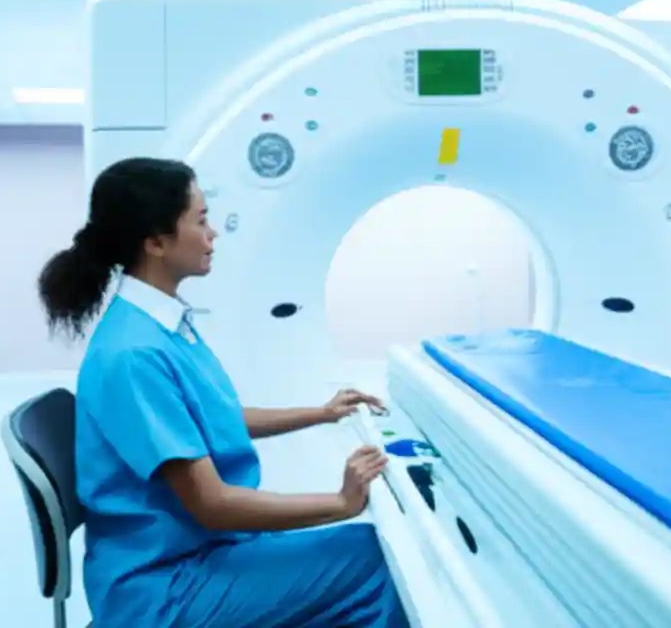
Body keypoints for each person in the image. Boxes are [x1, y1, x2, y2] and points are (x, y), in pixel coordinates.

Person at [37, 157, 411, 628]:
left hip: (199, 552)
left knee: (359, 550)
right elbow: (212, 505)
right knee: (378, 563)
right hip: (164, 586)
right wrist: (340, 502)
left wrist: (321, 413)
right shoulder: (134, 354)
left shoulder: (161, 325)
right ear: (155, 242)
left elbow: (212, 419)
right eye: (200, 220)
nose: (212, 233)